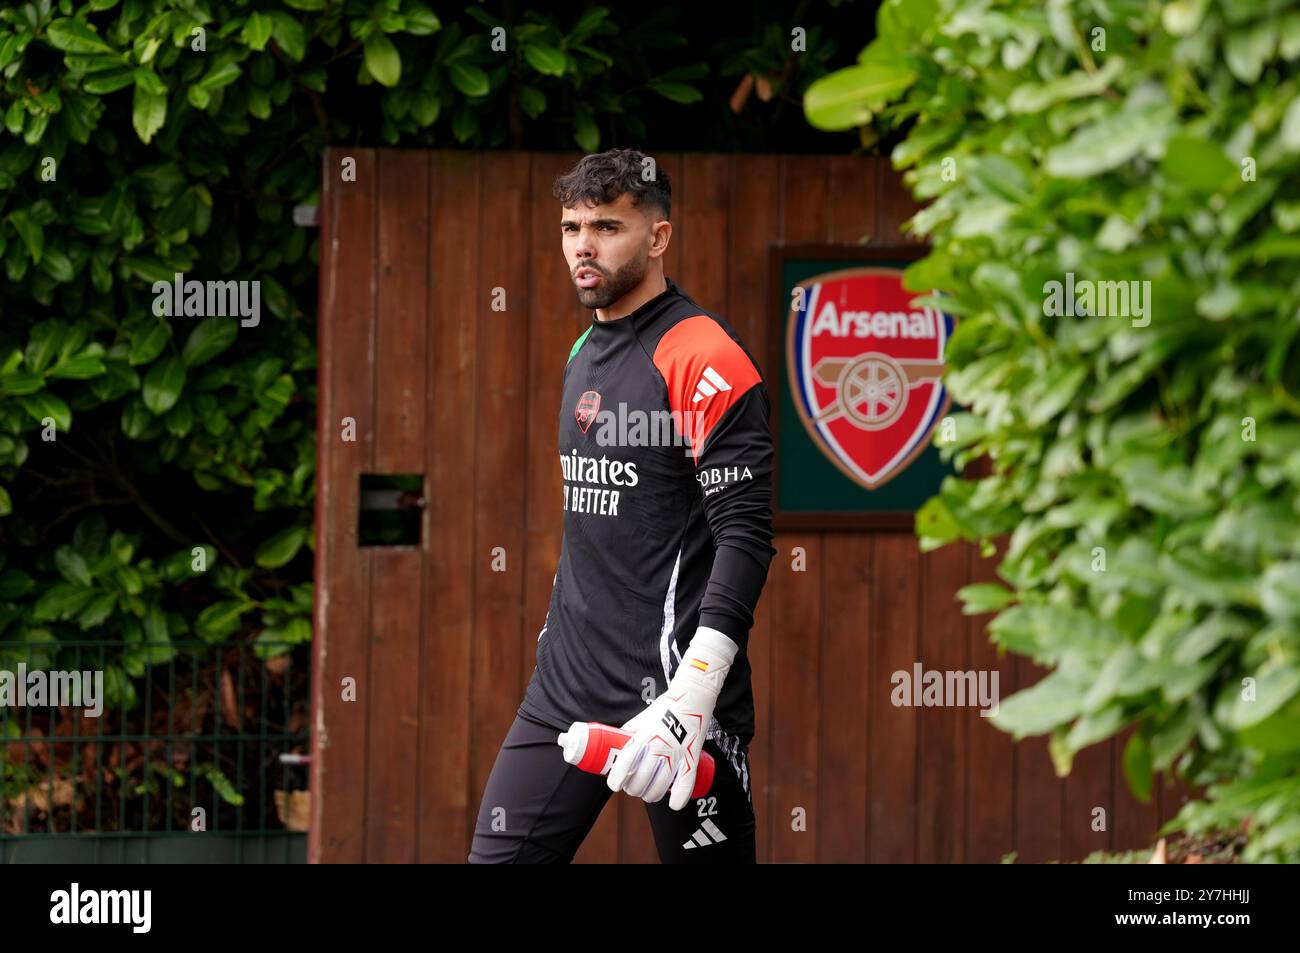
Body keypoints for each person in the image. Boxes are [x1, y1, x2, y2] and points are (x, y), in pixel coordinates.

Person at [467, 149, 776, 864]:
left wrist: (695, 694)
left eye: (606, 226)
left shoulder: (702, 353)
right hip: (565, 689)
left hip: (679, 700)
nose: (582, 243)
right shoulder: (585, 347)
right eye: (572, 226)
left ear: (659, 237)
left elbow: (745, 534)